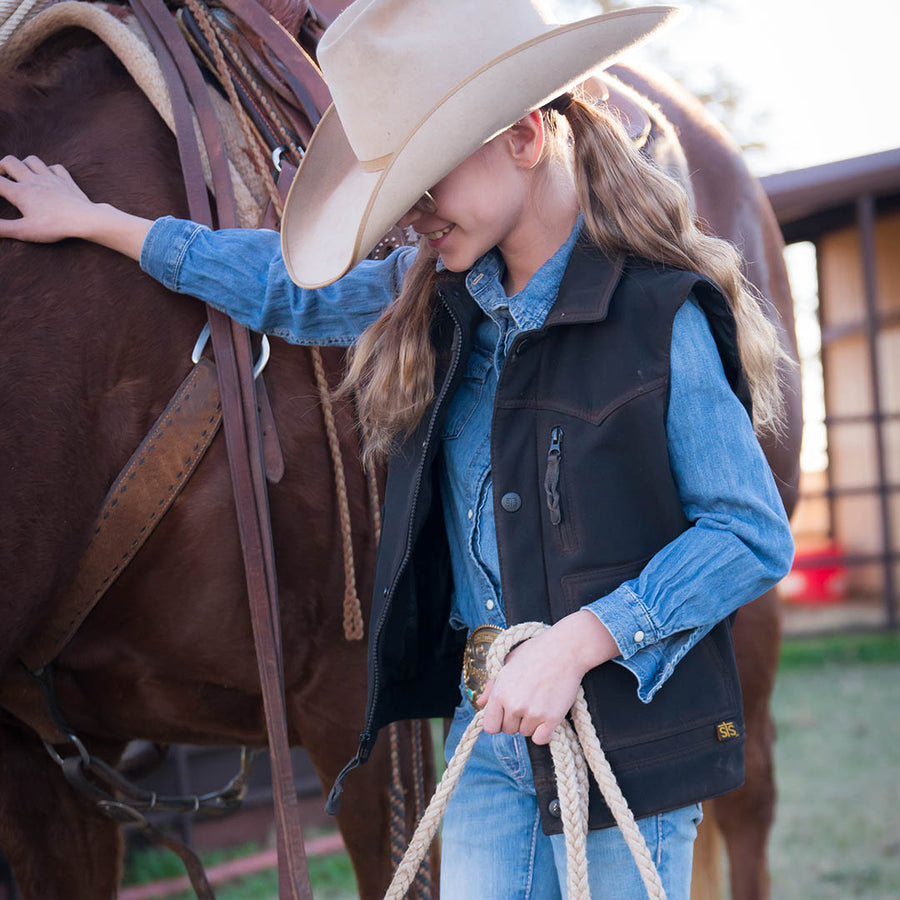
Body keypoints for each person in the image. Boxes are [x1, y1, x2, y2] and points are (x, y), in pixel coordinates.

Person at [0, 1, 795, 896]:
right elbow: (286, 290)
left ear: (524, 136)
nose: (412, 215)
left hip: (626, 750)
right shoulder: (434, 300)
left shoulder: (660, 319)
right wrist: (108, 224)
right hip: (491, 738)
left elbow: (749, 533)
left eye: (427, 180)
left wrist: (577, 643)